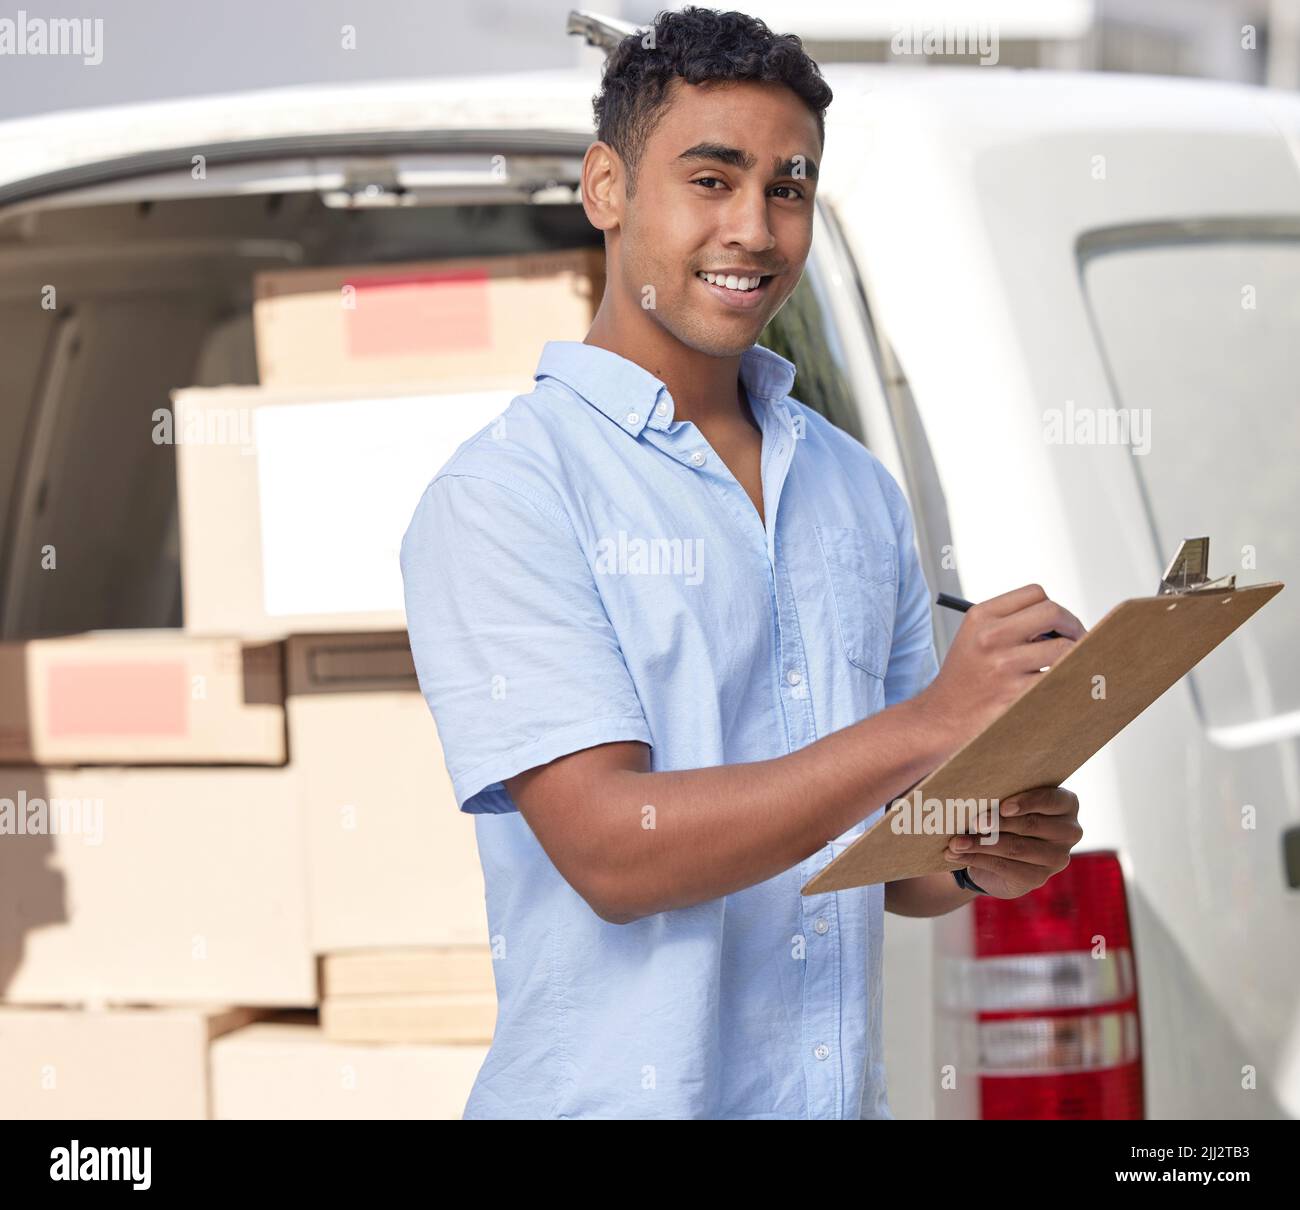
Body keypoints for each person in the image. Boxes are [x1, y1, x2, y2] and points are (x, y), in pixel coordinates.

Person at [399, 5, 1085, 1120]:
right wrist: (929, 724)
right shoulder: (505, 497)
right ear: (607, 189)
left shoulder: (854, 488)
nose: (756, 231)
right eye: (711, 180)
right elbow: (616, 852)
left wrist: (975, 852)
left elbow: (879, 848)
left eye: (788, 188)